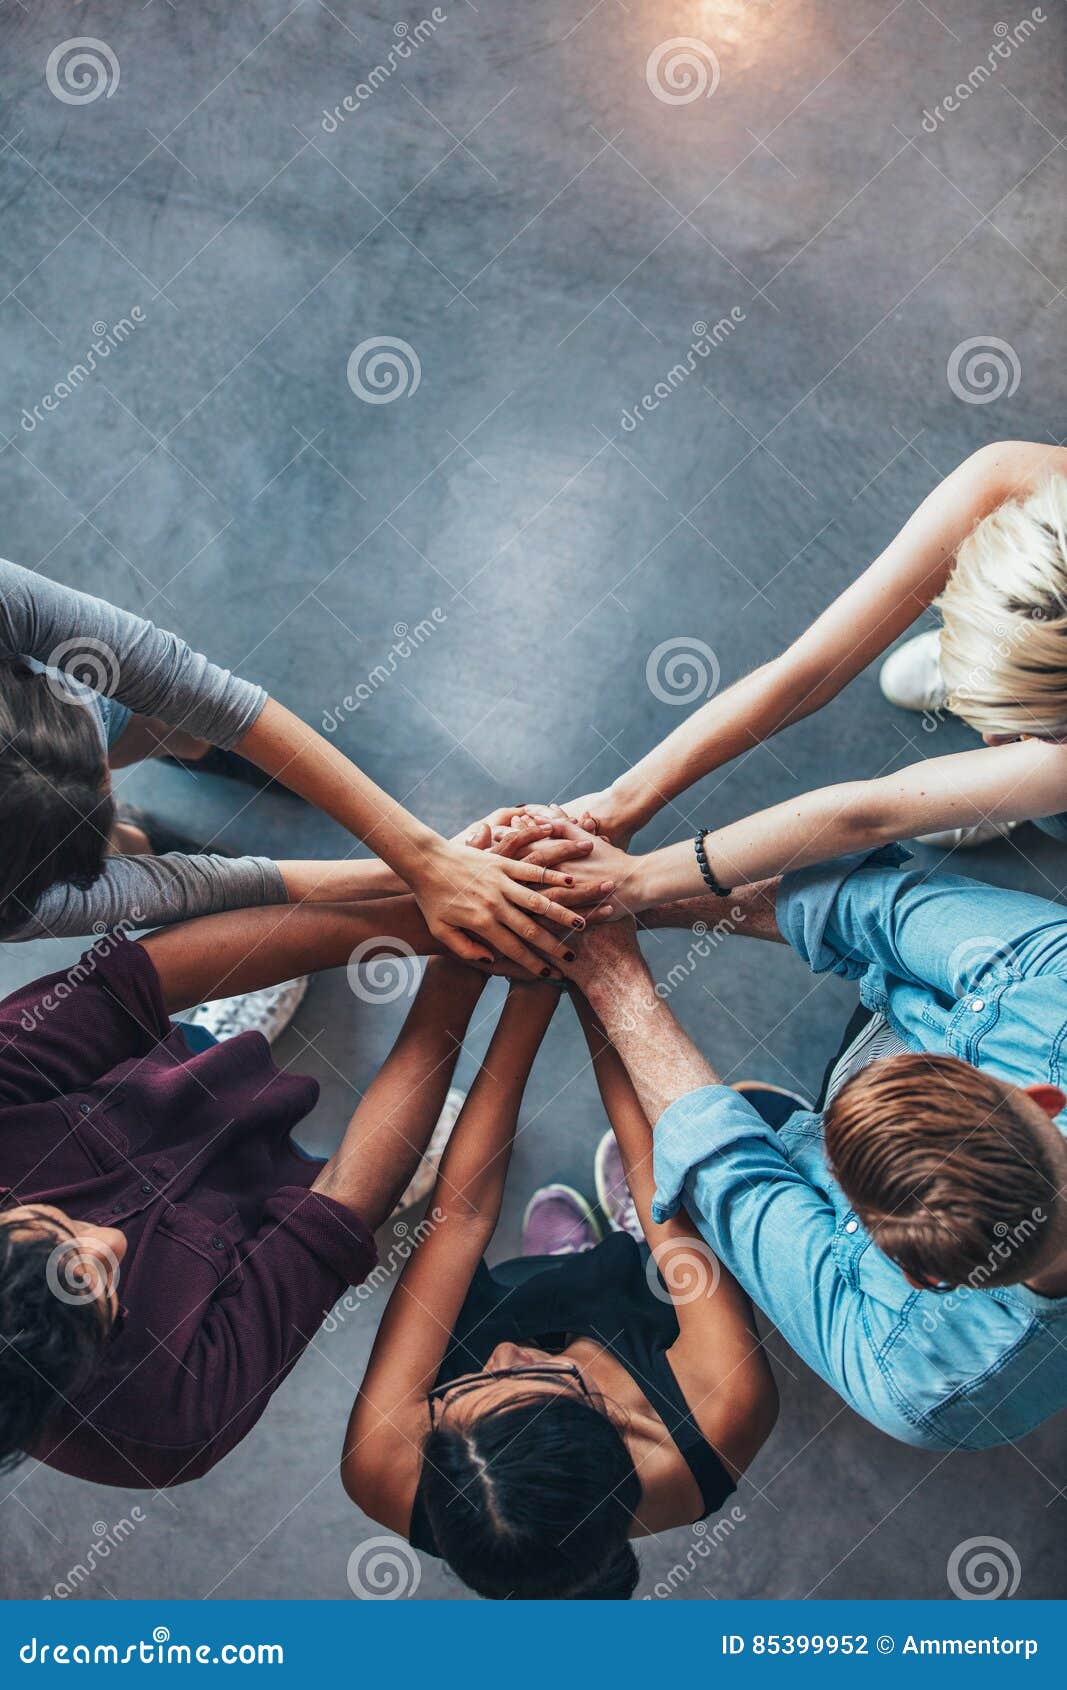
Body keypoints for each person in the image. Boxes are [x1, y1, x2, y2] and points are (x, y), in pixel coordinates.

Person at [0, 822, 599, 1487]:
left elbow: (133, 986)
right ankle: (335, 1160)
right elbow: (343, 1201)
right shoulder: (175, 1420)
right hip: (266, 1220)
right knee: (345, 1195)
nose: (110, 1240)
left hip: (149, 1082)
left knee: (188, 1036)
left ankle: (212, 1040)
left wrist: (439, 909)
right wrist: (465, 961)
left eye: (56, 1226)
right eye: (107, 1293)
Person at [546, 855, 1067, 1452]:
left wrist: (606, 969)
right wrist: (631, 893)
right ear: (1039, 1099)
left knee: (731, 1156)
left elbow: (736, 1177)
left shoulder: (918, 1382)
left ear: (917, 1276)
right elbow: (871, 904)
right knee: (738, 1129)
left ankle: (675, 1213)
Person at [341, 955, 777, 1600]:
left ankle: (567, 1262)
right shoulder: (724, 1414)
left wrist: (535, 985)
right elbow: (654, 1175)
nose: (498, 1353)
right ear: (610, 1432)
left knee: (521, 1276)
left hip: (507, 1293)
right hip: (637, 1310)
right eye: (528, 1377)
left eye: (453, 1399)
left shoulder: (383, 1468)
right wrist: (598, 977)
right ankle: (617, 1244)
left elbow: (459, 1219)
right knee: (680, 1217)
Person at [524, 441, 1067, 902]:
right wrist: (622, 801)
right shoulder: (1008, 479)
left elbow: (872, 815)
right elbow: (810, 668)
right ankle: (1005, 675)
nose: (997, 740)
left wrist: (639, 880)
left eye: (1043, 727)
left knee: (1049, 795)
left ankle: (1014, 798)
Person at [0, 558, 601, 970]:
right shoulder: (15, 903)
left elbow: (189, 685)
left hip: (65, 720)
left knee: (163, 721)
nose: (107, 769)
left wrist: (428, 859)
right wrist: (431, 867)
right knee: (118, 857)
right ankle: (135, 836)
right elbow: (182, 891)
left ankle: (184, 750)